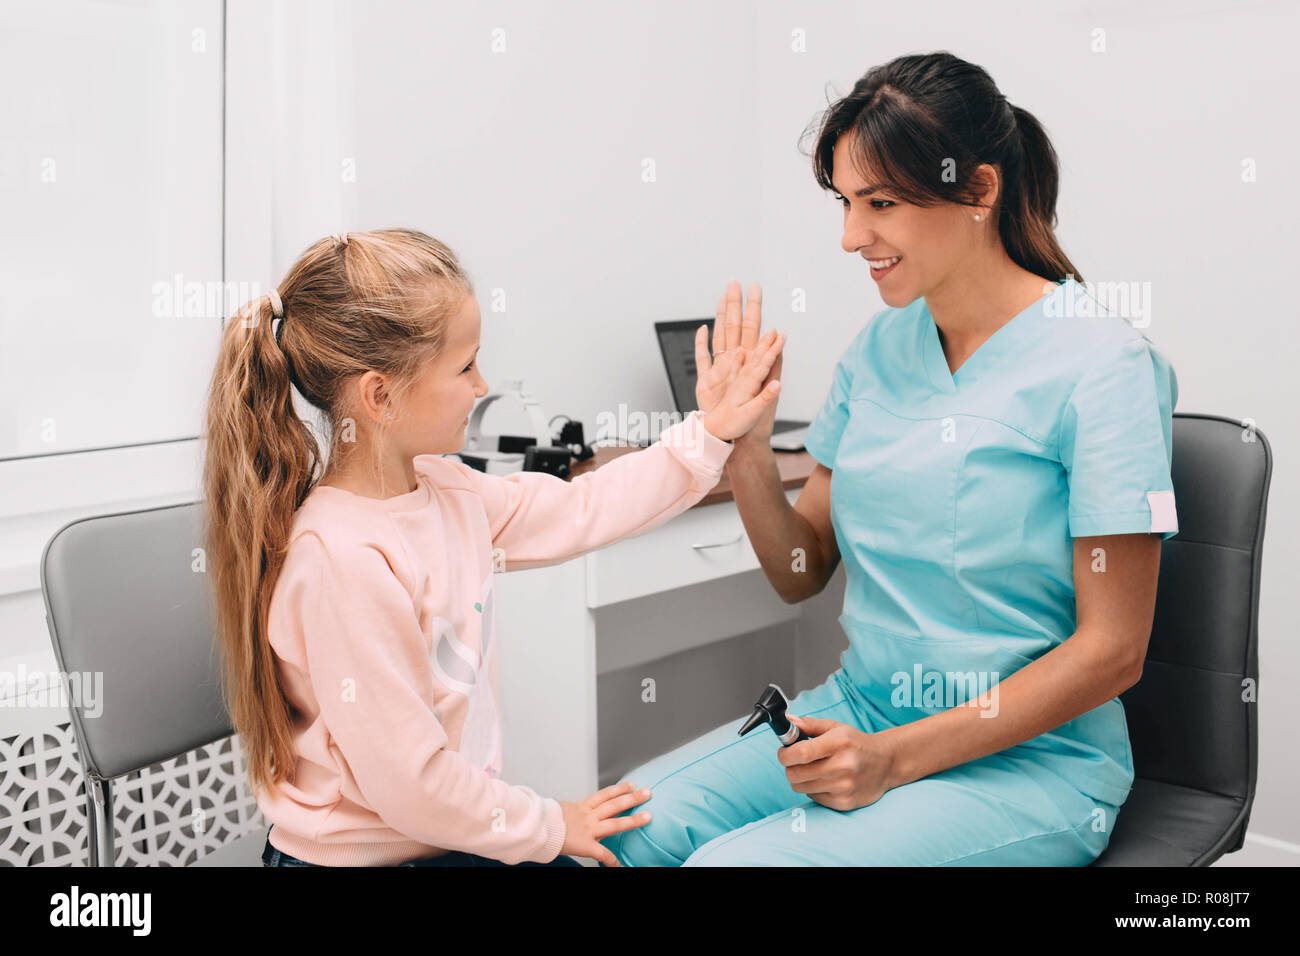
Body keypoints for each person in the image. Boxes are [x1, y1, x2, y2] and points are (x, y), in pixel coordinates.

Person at [602, 51, 1178, 866]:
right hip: (857, 717)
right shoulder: (879, 348)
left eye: (880, 203)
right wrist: (746, 449)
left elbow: (1113, 651)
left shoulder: (1103, 364)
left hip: (1029, 764)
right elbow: (802, 570)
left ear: (978, 190)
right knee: (621, 830)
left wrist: (896, 761)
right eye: (845, 202)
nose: (850, 237)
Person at [200, 228, 784, 866]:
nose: (482, 386)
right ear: (379, 396)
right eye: (464, 366)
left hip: (444, 834)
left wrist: (710, 433)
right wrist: (550, 822)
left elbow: (579, 509)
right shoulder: (341, 558)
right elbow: (410, 784)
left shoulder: (447, 491)